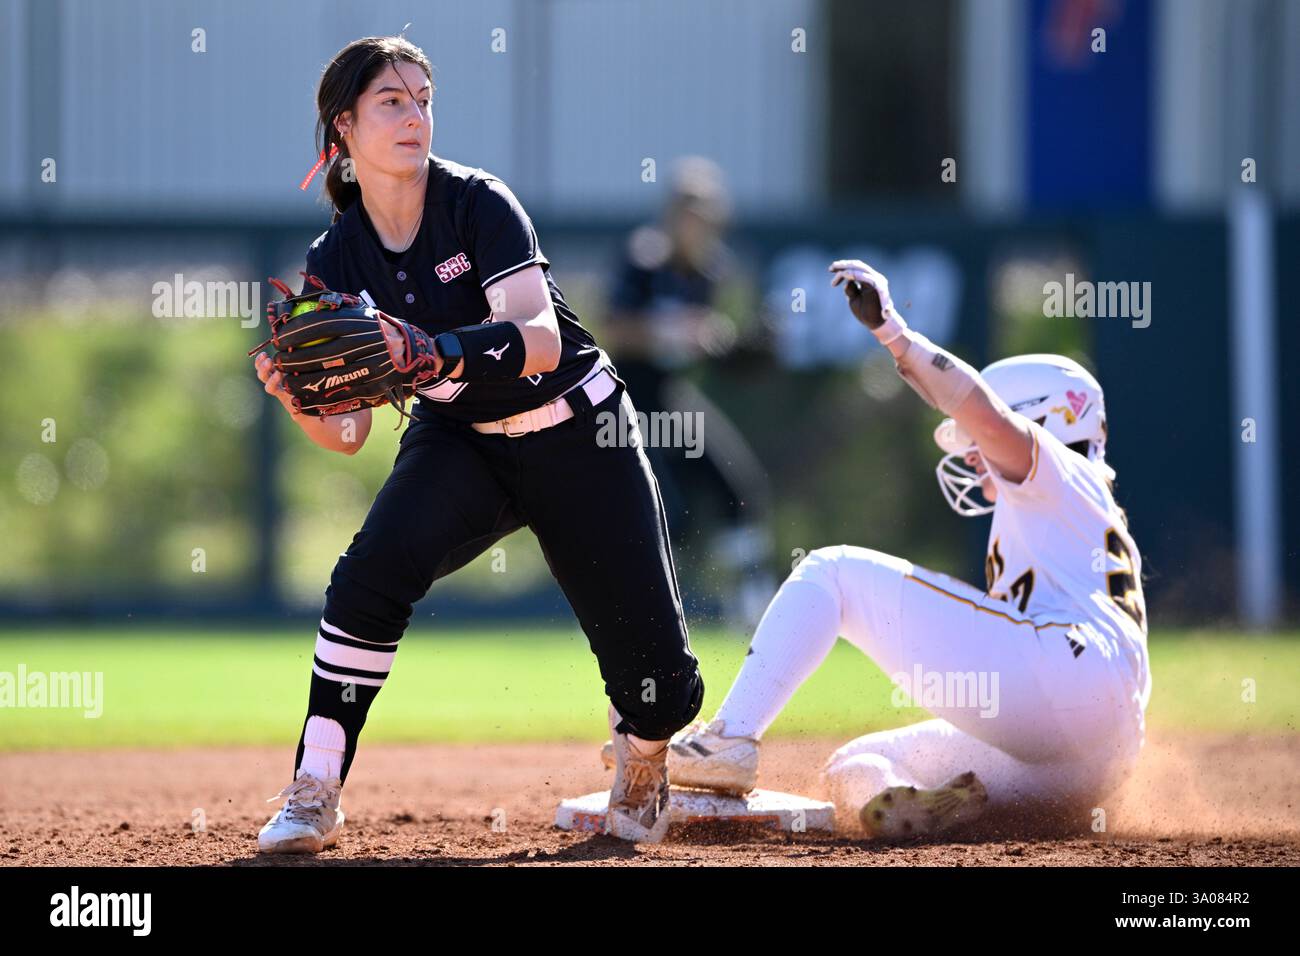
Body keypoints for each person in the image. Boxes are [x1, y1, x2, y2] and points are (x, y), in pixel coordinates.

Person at [252, 35, 703, 851]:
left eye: (423, 98)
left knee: (664, 690)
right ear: (343, 128)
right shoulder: (337, 257)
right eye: (391, 100)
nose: (415, 114)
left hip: (580, 432)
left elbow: (540, 340)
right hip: (460, 441)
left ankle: (642, 753)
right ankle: (315, 785)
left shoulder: (476, 203)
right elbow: (349, 433)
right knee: (366, 581)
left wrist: (432, 351)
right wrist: (295, 401)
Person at [656, 258, 1151, 839]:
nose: (968, 454)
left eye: (974, 442)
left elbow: (985, 414)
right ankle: (919, 811)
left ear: (1045, 419)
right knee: (856, 764)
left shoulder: (1057, 470)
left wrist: (894, 335)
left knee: (832, 571)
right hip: (1094, 758)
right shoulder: (1075, 507)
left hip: (1062, 671)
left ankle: (729, 739)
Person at [601, 157, 774, 626]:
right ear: (672, 214)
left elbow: (710, 345)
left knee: (737, 487)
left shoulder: (711, 272)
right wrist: (669, 330)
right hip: (627, 402)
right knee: (661, 509)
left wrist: (732, 345)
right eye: (689, 213)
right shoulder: (643, 257)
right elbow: (612, 329)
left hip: (673, 398)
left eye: (706, 216)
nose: (698, 226)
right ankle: (637, 610)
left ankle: (751, 602)